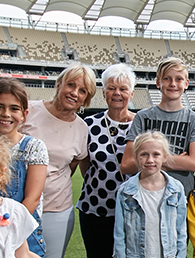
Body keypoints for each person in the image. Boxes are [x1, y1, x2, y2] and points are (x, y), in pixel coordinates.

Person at [20, 63, 96, 258]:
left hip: (56, 208)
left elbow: (70, 167)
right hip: (17, 202)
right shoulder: (28, 110)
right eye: (71, 85)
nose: (74, 93)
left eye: (82, 91)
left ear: (86, 99)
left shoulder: (82, 128)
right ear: (59, 85)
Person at [79, 63, 138, 258]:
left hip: (133, 210)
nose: (117, 93)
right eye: (111, 88)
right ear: (104, 93)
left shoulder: (141, 124)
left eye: (123, 89)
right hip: (96, 208)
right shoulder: (89, 125)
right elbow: (85, 164)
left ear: (131, 94)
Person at [0, 78, 49, 257]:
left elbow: (32, 198)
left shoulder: (33, 147)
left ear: (24, 114)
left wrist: (4, 228)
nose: (6, 114)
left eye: (14, 109)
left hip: (22, 234)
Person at [122, 57, 195, 188]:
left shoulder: (194, 119)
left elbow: (193, 164)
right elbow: (126, 165)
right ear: (158, 82)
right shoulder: (143, 117)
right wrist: (177, 161)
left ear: (186, 83)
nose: (173, 84)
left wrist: (149, 162)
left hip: (180, 194)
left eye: (178, 79)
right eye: (167, 78)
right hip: (146, 194)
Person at [114, 131, 188, 258]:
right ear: (136, 156)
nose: (150, 160)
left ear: (164, 157)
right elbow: (119, 234)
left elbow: (181, 230)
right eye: (144, 154)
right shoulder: (125, 191)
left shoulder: (176, 189)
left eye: (156, 154)